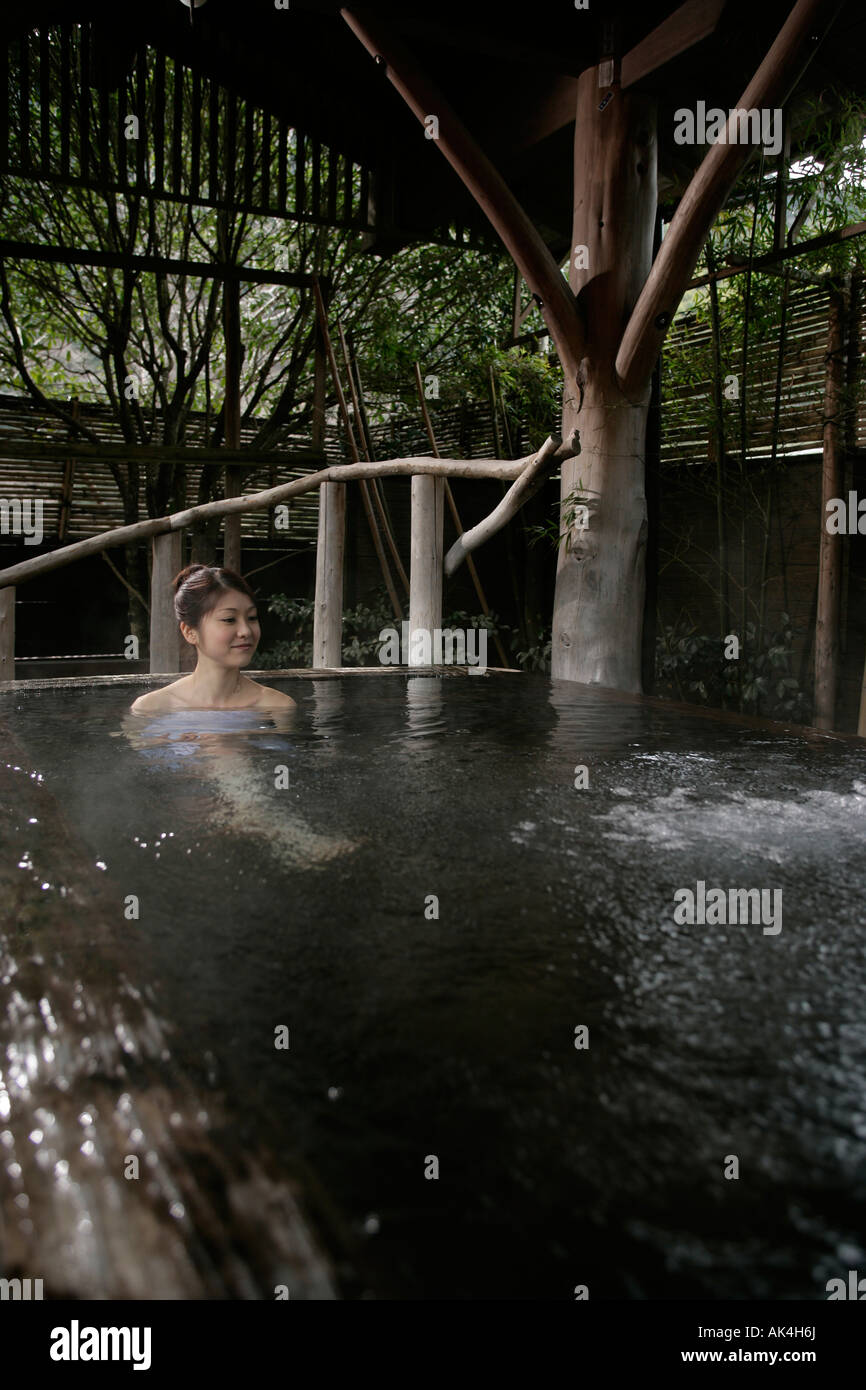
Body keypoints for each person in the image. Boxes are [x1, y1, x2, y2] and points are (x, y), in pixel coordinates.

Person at [130, 564, 296, 713]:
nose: (246, 631)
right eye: (229, 619)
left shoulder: (277, 707)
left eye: (252, 617)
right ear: (189, 632)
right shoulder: (151, 709)